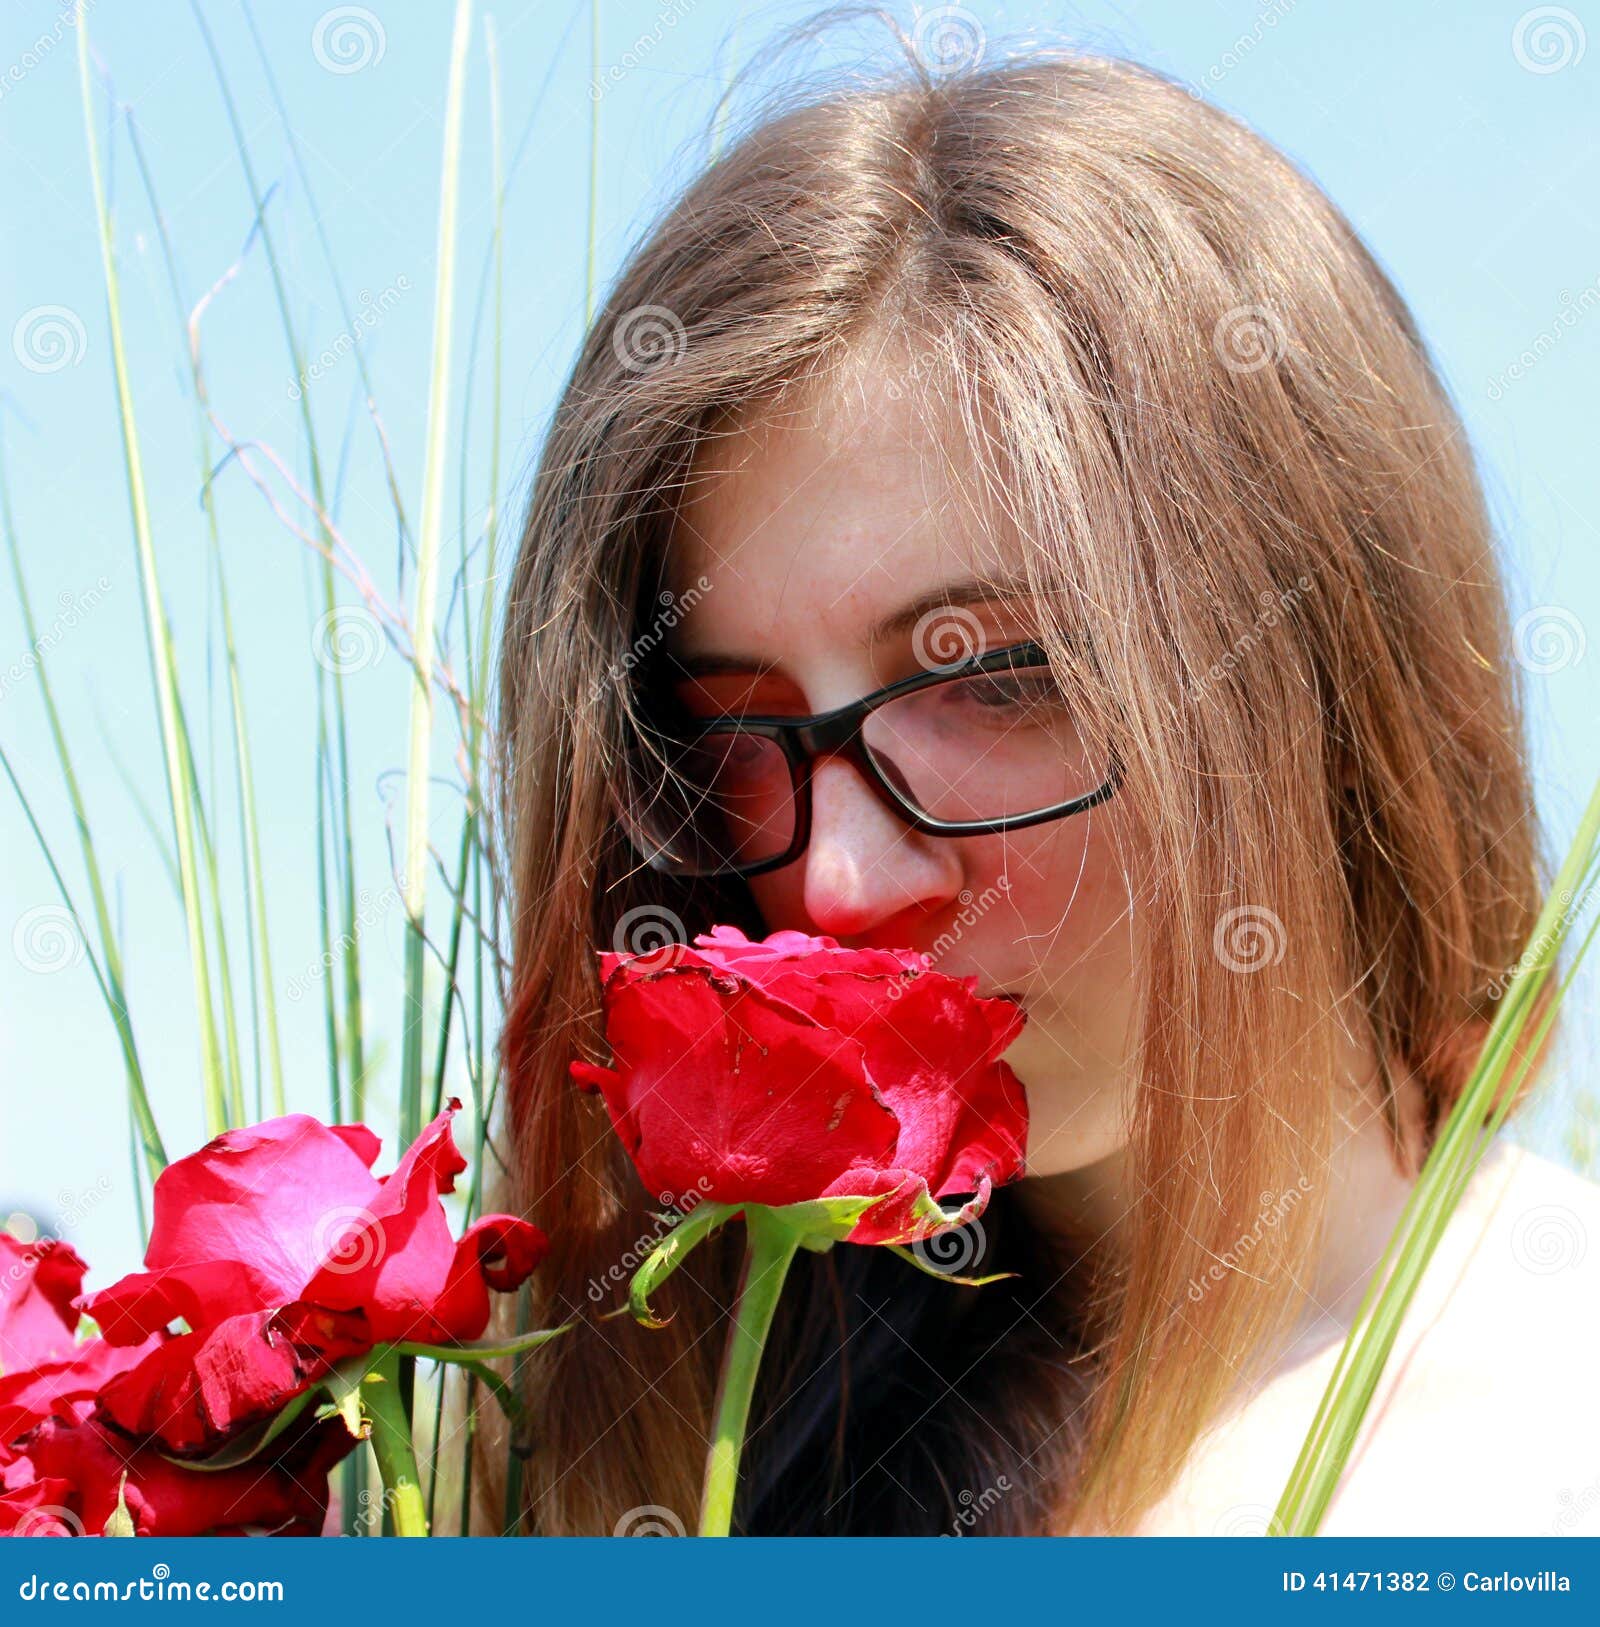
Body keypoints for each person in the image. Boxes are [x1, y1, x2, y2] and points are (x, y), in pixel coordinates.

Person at [479, 42, 1600, 1537]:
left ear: (1326, 670)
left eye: (1000, 678)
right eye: (731, 733)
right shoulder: (622, 1443)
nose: (844, 890)